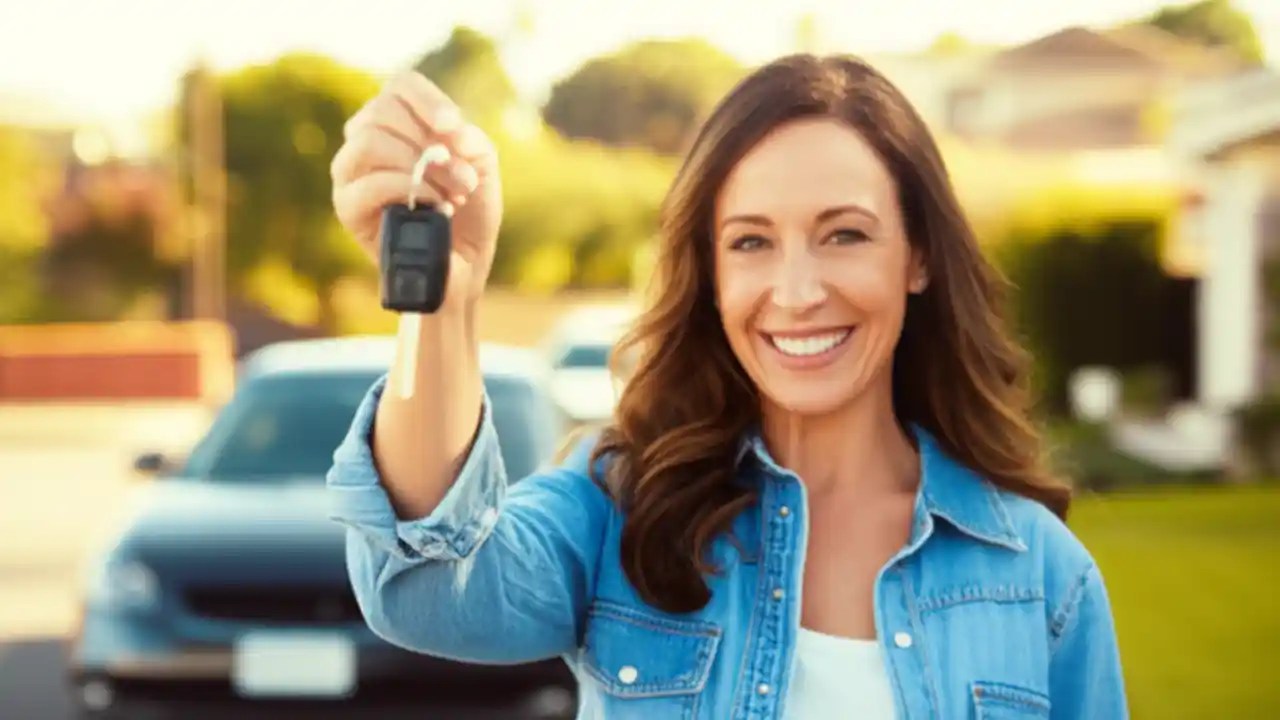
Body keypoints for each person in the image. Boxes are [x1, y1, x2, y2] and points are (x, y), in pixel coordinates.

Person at [326, 53, 1128, 719]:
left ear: (916, 256)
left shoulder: (1043, 579)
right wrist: (447, 298)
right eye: (751, 242)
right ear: (709, 274)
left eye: (843, 234)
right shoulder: (622, 516)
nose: (797, 290)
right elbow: (428, 587)